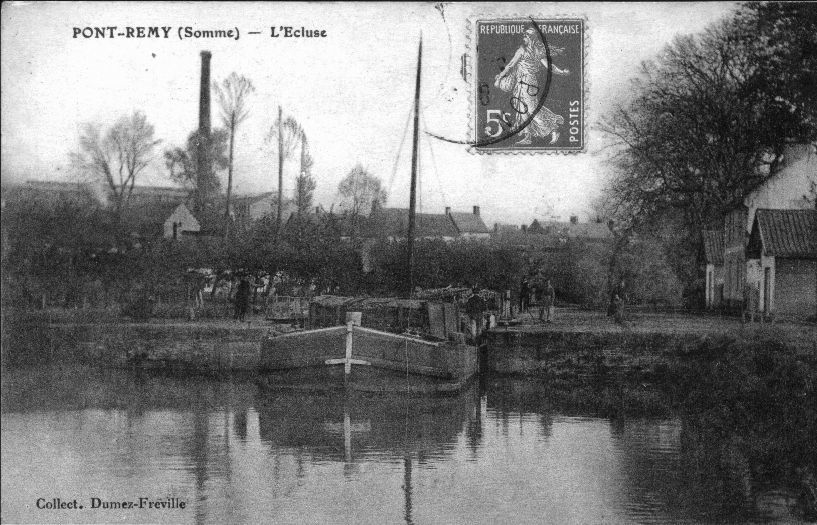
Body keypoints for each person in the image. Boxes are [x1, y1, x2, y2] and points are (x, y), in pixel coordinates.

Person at [494, 28, 571, 145]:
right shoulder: (536, 51)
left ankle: (553, 129)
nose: (523, 38)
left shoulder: (523, 50)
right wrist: (561, 72)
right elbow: (550, 67)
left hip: (527, 82)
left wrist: (500, 77)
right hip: (524, 82)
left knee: (531, 109)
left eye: (525, 36)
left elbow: (510, 65)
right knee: (522, 109)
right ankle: (528, 137)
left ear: (529, 38)